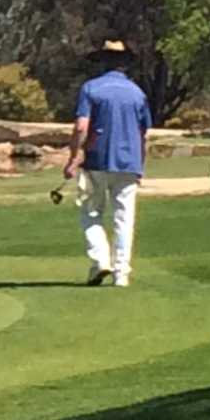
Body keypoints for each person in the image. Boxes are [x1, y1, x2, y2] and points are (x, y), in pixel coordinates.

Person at [64, 39, 153, 286]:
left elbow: (82, 126)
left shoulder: (92, 88)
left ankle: (100, 260)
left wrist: (73, 157)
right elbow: (143, 133)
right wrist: (141, 166)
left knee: (92, 212)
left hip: (97, 159)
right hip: (129, 162)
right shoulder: (138, 93)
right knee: (124, 217)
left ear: (103, 62)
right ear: (125, 64)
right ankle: (121, 273)